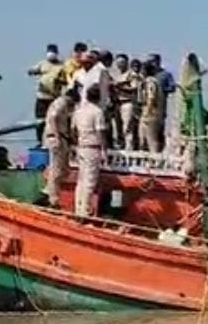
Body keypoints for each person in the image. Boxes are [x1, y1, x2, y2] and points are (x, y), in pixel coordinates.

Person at [72, 85, 108, 219]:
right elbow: (100, 132)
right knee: (90, 180)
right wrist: (104, 149)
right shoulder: (97, 112)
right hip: (92, 147)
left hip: (81, 146)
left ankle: (78, 207)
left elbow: (73, 130)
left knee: (81, 180)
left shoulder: (79, 111)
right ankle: (85, 210)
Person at [39, 85, 77, 207]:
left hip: (58, 136)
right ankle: (51, 197)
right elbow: (53, 116)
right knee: (56, 168)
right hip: (56, 137)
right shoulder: (61, 103)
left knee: (62, 169)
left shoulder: (60, 103)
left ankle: (50, 192)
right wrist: (56, 134)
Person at [28, 44, 62, 145]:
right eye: (49, 52)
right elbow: (32, 71)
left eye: (53, 52)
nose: (51, 54)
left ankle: (55, 140)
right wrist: (32, 71)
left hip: (54, 97)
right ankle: (40, 141)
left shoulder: (61, 65)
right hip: (42, 96)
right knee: (40, 121)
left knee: (54, 120)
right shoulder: (42, 64)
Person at [115, 58, 143, 150]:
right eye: (118, 63)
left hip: (128, 102)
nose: (119, 65)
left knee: (127, 128)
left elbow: (134, 89)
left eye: (121, 63)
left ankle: (129, 148)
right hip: (118, 103)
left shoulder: (132, 75)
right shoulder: (119, 75)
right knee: (119, 128)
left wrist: (119, 87)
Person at [138, 61, 166, 153]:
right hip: (153, 113)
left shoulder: (150, 82)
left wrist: (147, 112)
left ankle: (155, 158)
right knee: (144, 139)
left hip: (151, 114)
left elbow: (151, 98)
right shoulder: (153, 81)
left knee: (151, 140)